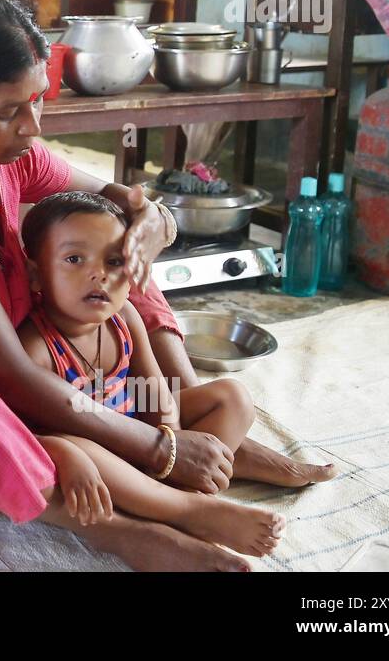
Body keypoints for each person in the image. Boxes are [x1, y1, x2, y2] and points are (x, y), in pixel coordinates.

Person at [0, 0, 325, 572]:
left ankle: (181, 414)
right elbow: (6, 373)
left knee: (110, 250)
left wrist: (149, 221)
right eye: (7, 112)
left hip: (18, 402)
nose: (31, 127)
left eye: (37, 101)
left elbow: (119, 202)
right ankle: (136, 522)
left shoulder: (1, 152)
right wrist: (157, 449)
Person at [16, 191, 286, 557]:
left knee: (232, 397)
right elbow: (25, 436)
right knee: (77, 448)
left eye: (115, 261)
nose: (99, 274)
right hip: (101, 465)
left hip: (146, 442)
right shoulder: (36, 347)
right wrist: (68, 454)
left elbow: (154, 388)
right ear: (36, 274)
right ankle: (176, 509)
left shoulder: (124, 317)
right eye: (75, 259)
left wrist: (172, 448)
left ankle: (181, 502)